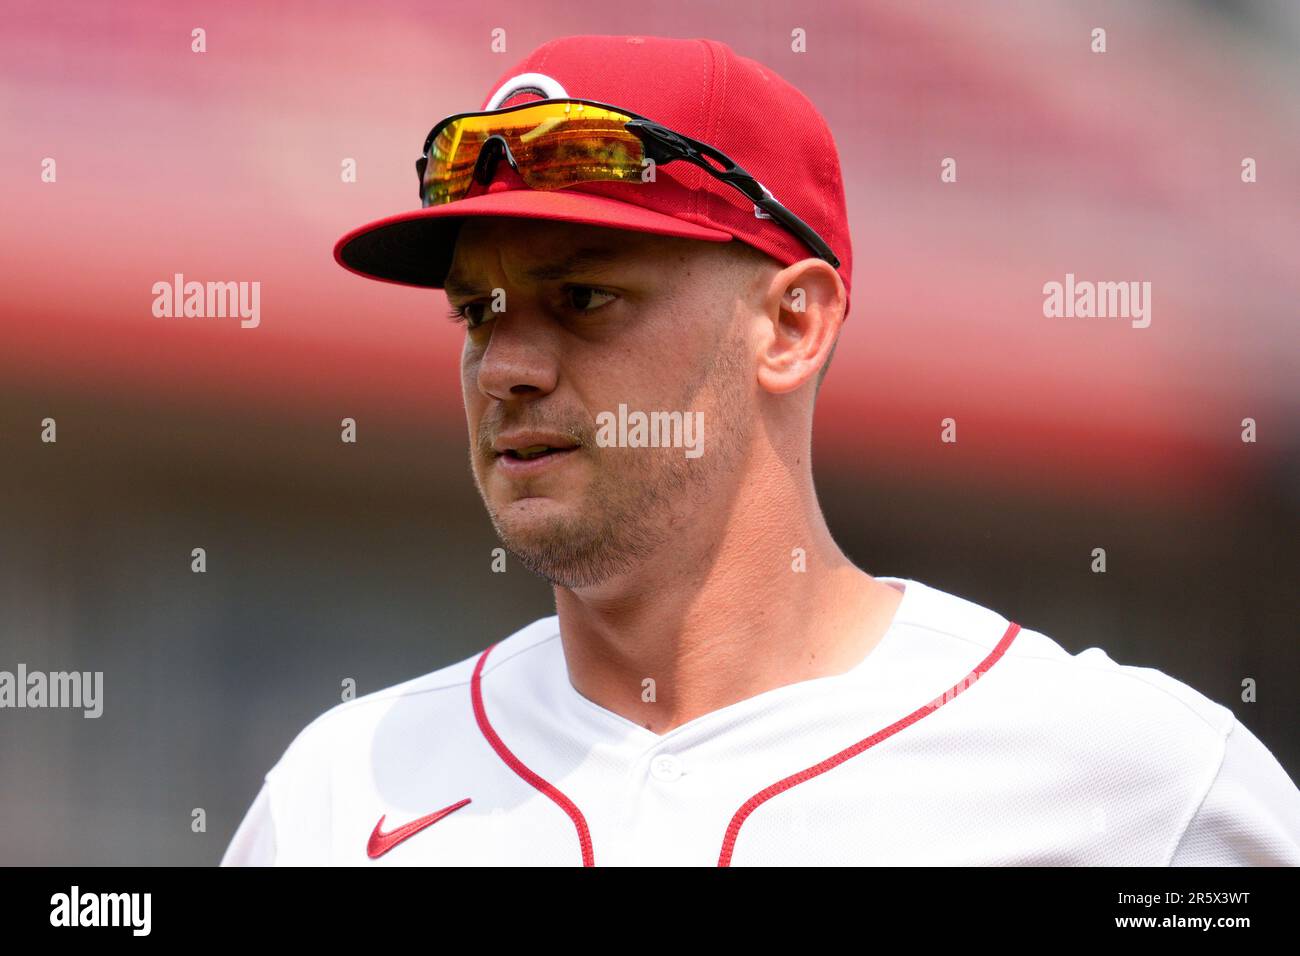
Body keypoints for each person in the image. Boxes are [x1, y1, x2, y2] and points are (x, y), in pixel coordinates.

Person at [222, 34, 1299, 866]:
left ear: (790, 326)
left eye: (582, 298)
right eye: (477, 312)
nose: (507, 366)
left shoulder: (1122, 776)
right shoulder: (346, 787)